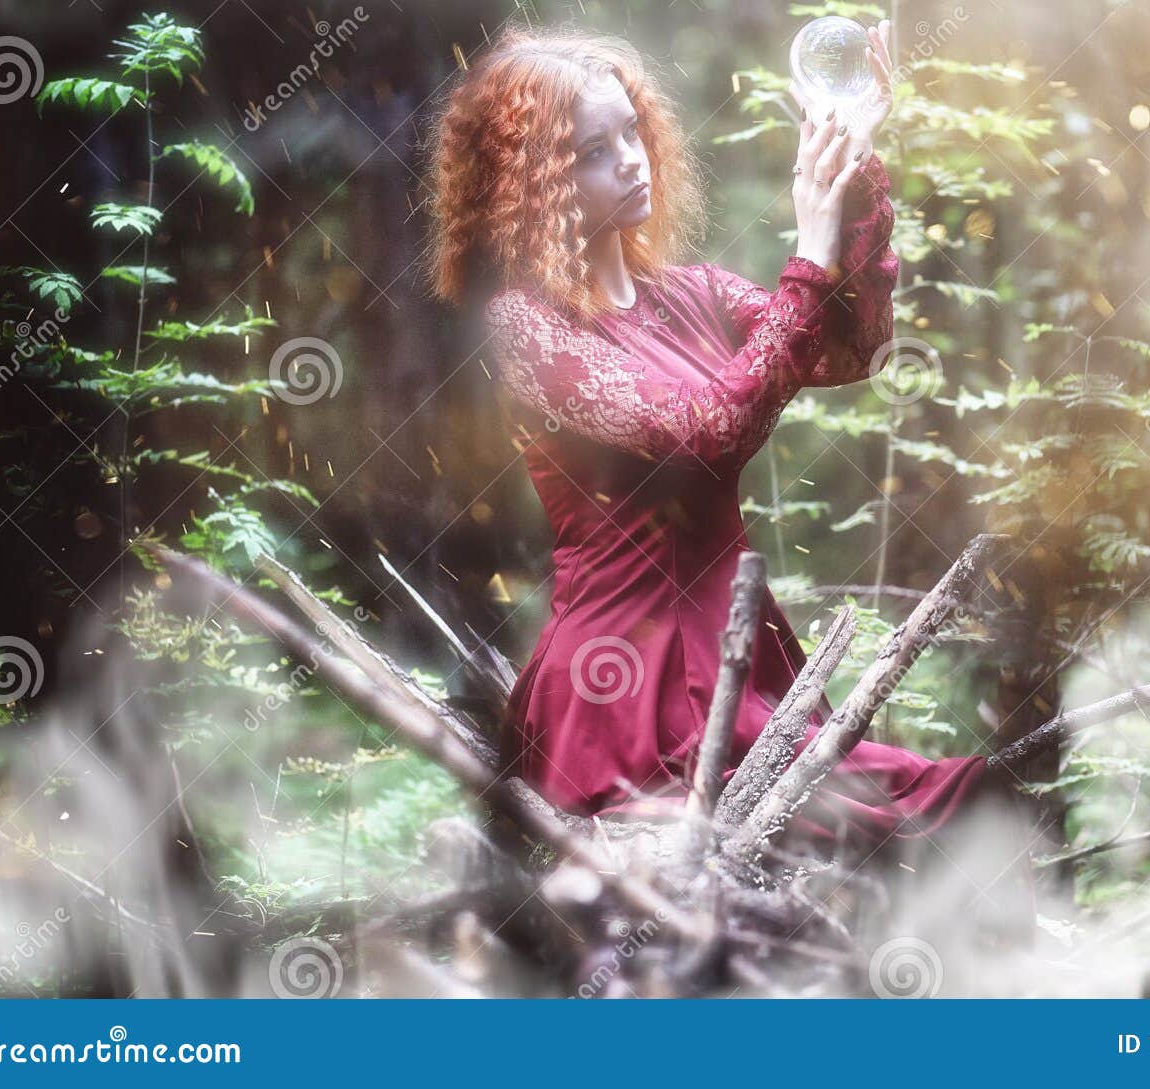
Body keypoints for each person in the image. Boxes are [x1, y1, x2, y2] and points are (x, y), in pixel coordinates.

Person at [424, 22, 1020, 865]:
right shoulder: (527, 327)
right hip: (624, 688)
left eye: (632, 130)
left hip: (744, 664)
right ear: (533, 187)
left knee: (969, 799)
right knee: (819, 854)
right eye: (593, 151)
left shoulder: (694, 293)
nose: (631, 159)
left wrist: (848, 174)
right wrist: (808, 250)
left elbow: (853, 349)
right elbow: (711, 431)